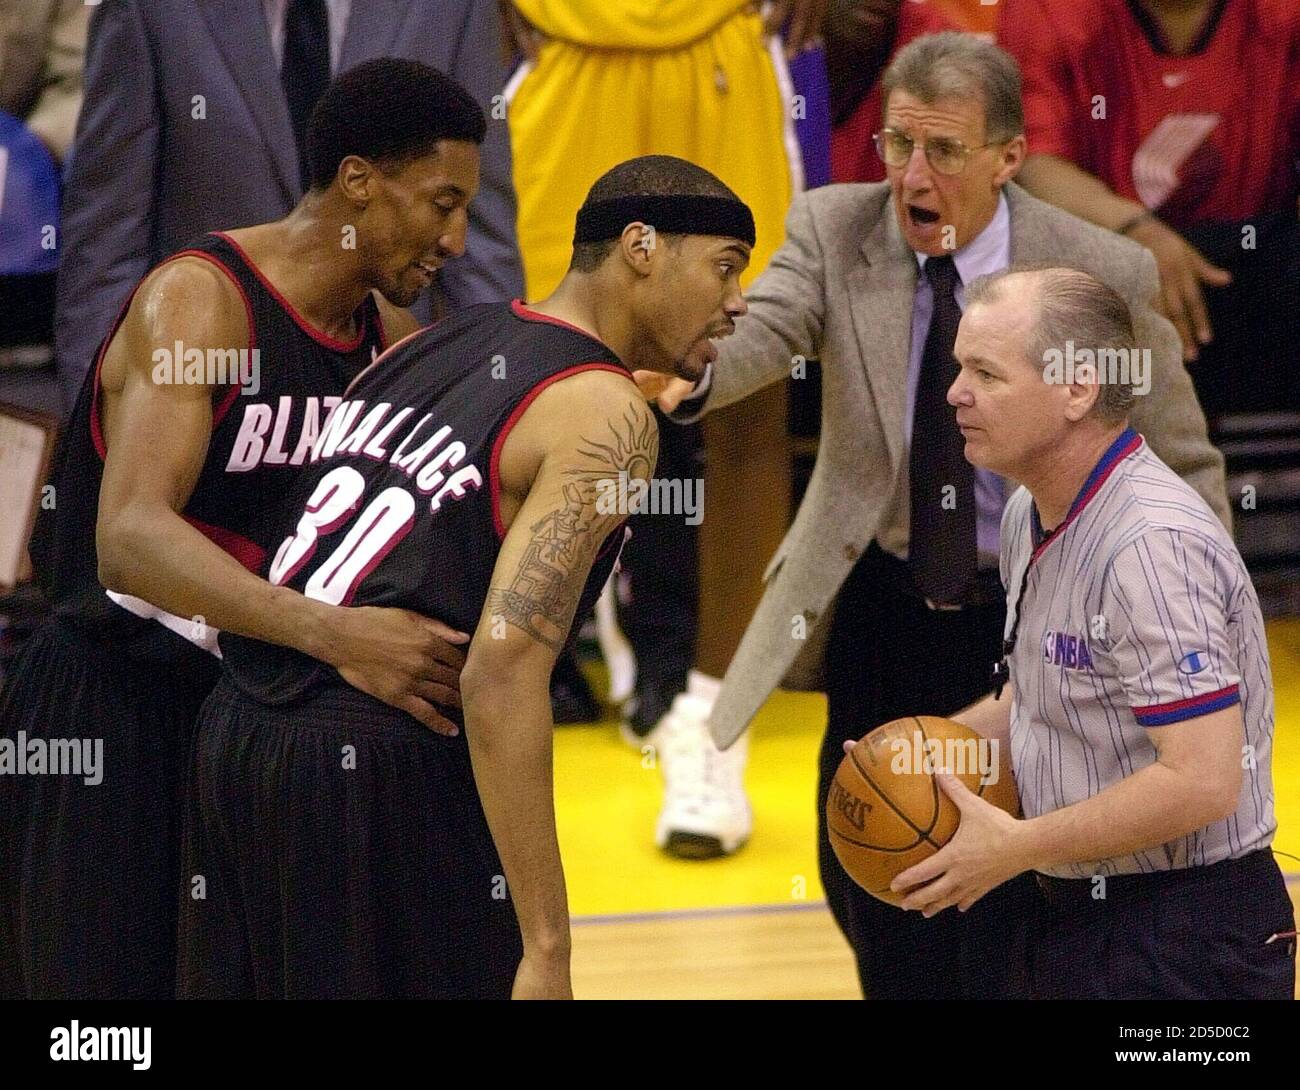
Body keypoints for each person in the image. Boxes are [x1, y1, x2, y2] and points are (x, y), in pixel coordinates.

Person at [644, 31, 1229, 999]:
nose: (911, 173)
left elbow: (1186, 462)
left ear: (1007, 156)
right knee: (873, 871)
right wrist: (680, 365)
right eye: (894, 144)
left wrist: (1199, 623)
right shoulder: (837, 228)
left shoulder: (1096, 275)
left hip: (1041, 614)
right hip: (887, 601)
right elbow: (761, 327)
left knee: (1020, 904)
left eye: (943, 151)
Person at [177, 155, 753, 999]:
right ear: (641, 247)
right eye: (726, 266)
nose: (739, 300)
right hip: (377, 768)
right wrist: (548, 943)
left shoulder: (441, 339)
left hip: (238, 730)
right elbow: (503, 672)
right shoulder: (610, 412)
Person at [0, 59, 478, 999]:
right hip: (114, 704)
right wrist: (334, 635)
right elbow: (130, 535)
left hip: (249, 722)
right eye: (441, 203)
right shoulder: (205, 300)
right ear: (357, 183)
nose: (457, 240)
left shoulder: (385, 335)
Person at [884, 265, 1295, 1000]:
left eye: (985, 372)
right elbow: (1044, 696)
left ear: (1076, 388)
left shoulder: (1149, 546)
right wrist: (919, 752)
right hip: (1077, 914)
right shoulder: (1028, 510)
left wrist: (1016, 846)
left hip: (1189, 938)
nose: (955, 394)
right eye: (957, 368)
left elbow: (1202, 780)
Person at [53, 0, 524, 413]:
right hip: (202, 385)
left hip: (380, 397)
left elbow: (479, 231)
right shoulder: (150, 8)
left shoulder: (455, 7)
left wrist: (497, 414)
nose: (452, 240)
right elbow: (105, 235)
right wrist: (94, 420)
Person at [999, 0, 1300, 417]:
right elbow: (1033, 164)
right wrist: (1138, 233)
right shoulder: (1049, 12)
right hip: (1102, 262)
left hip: (1262, 261)